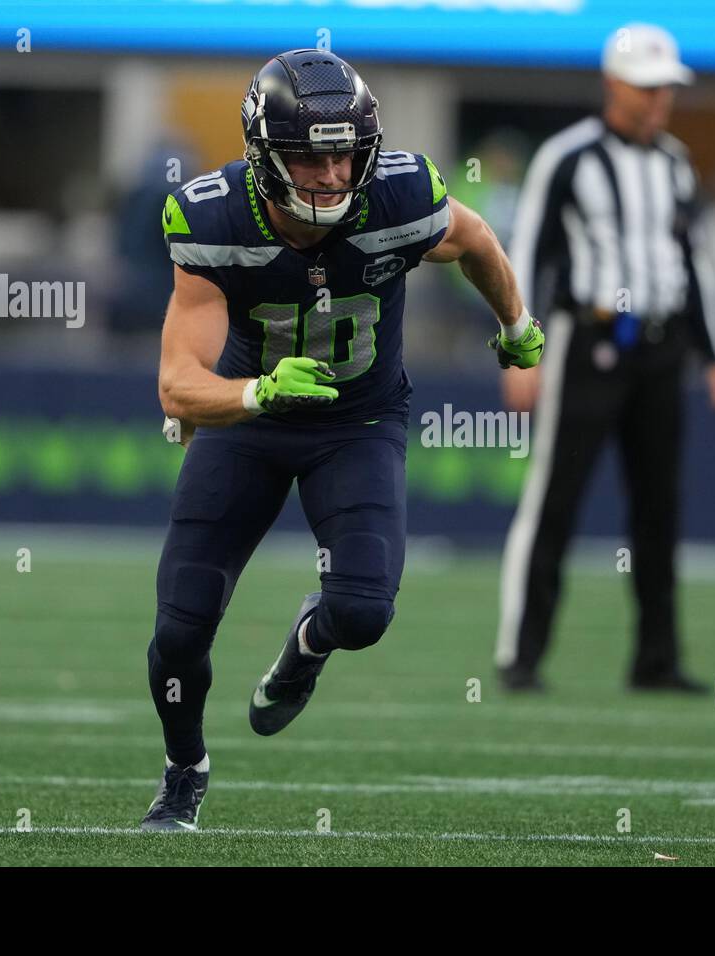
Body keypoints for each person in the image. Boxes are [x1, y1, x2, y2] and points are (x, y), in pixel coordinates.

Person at [142, 49, 544, 830]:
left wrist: (516, 325)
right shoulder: (213, 216)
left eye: (343, 153)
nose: (330, 174)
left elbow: (476, 241)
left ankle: (306, 644)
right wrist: (255, 390)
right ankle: (185, 768)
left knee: (362, 612)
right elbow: (175, 383)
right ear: (265, 156)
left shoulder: (399, 195)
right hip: (249, 423)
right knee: (179, 629)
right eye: (308, 155)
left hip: (357, 423)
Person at [495, 23, 715, 694]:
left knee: (660, 506)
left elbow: (694, 263)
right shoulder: (568, 157)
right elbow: (526, 254)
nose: (661, 100)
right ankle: (520, 655)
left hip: (661, 348)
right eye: (648, 87)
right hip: (591, 339)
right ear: (614, 85)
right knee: (556, 496)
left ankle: (656, 660)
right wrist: (521, 349)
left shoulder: (675, 162)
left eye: (667, 87)